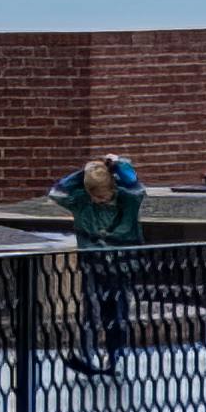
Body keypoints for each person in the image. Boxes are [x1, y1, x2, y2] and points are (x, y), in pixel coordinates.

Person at [54, 153, 147, 375]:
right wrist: (86, 173)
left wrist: (117, 166)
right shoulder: (82, 202)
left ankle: (114, 358)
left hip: (122, 267)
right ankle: (86, 355)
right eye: (95, 195)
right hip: (93, 265)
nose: (99, 200)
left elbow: (135, 185)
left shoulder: (128, 201)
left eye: (103, 195)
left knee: (117, 314)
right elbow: (57, 191)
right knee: (91, 312)